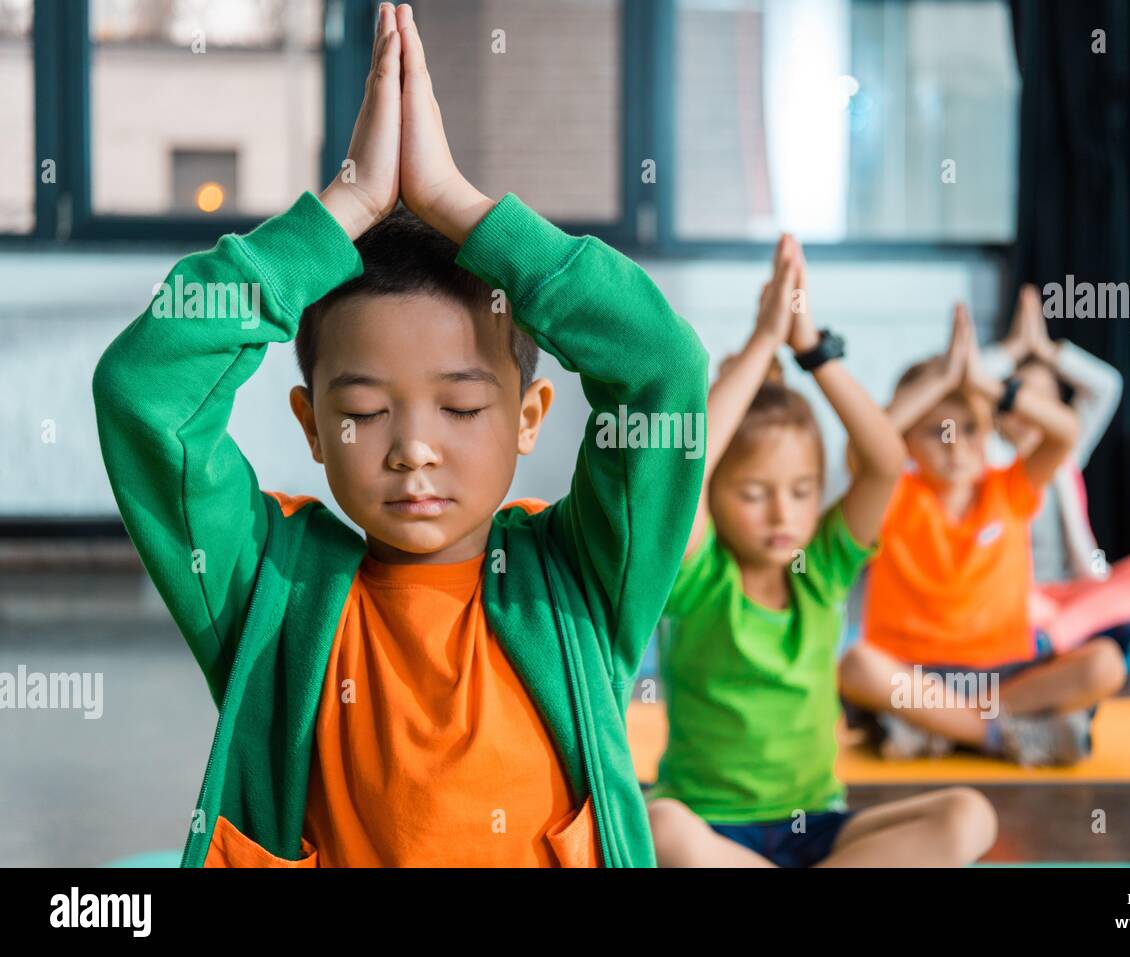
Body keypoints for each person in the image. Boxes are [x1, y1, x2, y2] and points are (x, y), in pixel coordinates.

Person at [92, 3, 707, 867]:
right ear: (312, 425)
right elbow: (144, 392)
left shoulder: (581, 580)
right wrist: (343, 208)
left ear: (529, 419)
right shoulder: (268, 590)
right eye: (366, 410)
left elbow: (661, 368)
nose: (414, 446)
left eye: (459, 409)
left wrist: (460, 206)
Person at [645, 236, 998, 866]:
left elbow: (886, 461)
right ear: (717, 496)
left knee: (969, 815)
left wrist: (811, 350)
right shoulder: (698, 574)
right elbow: (684, 464)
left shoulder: (822, 569)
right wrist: (763, 341)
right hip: (713, 830)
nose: (784, 514)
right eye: (754, 493)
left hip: (820, 829)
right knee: (660, 825)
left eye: (802, 492)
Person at [838, 306, 1128, 766]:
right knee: (857, 666)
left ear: (989, 430)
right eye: (936, 432)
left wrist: (986, 384)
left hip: (1004, 675)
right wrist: (939, 381)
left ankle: (938, 730)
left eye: (969, 429)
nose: (955, 445)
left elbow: (1064, 431)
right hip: (915, 675)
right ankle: (997, 734)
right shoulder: (894, 494)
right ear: (906, 440)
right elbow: (861, 447)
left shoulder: (1009, 488)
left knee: (1105, 664)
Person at [984, 285, 1130, 656]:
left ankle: (1054, 638)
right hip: (1020, 593)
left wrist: (1048, 351)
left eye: (1042, 399)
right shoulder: (991, 459)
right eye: (1020, 398)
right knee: (1013, 606)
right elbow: (965, 384)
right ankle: (1086, 629)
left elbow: (1107, 386)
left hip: (1074, 589)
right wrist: (1014, 349)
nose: (1030, 410)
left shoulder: (1066, 457)